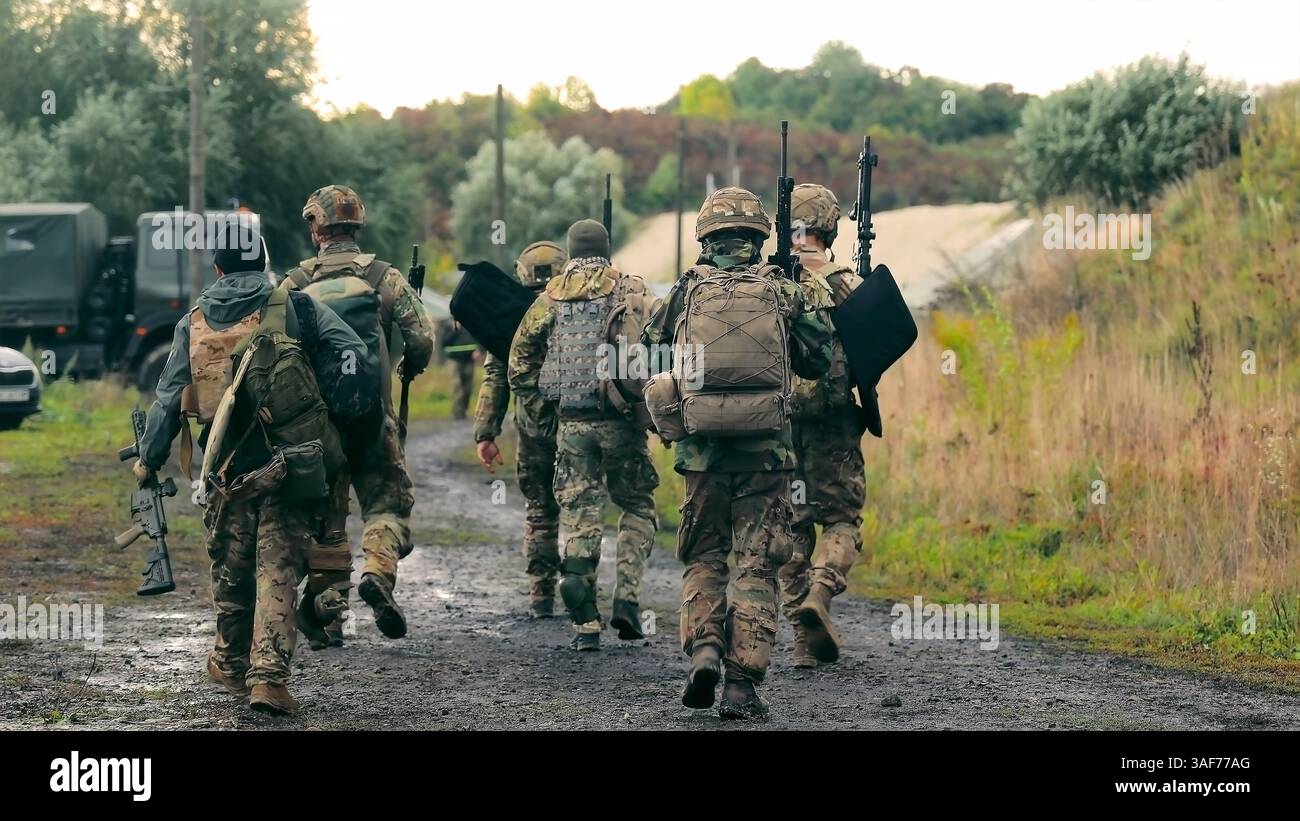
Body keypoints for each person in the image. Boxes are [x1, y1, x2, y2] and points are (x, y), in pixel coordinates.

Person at [135, 235, 377, 714]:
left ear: (218, 269)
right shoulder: (297, 307)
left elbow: (167, 401)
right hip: (292, 459)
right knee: (278, 564)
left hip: (226, 464)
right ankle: (268, 679)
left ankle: (230, 661)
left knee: (232, 563)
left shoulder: (193, 321)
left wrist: (148, 458)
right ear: (265, 262)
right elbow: (353, 352)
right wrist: (327, 412)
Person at [641, 187, 832, 718]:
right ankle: (742, 686)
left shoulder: (686, 289)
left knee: (704, 556)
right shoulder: (782, 289)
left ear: (706, 236)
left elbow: (650, 348)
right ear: (759, 236)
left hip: (701, 454)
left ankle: (704, 648)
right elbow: (819, 359)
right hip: (766, 455)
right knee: (757, 564)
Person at [284, 185, 436, 645]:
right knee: (387, 506)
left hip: (317, 426)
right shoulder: (384, 278)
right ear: (356, 226)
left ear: (317, 228)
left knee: (328, 521)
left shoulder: (294, 284)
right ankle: (377, 571)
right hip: (373, 419)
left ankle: (328, 618)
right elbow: (422, 338)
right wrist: (409, 366)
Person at [508, 220, 659, 651]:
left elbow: (519, 363)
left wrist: (547, 404)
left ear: (571, 252)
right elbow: (658, 339)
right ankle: (627, 596)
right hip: (621, 423)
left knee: (580, 514)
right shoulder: (629, 287)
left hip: (572, 426)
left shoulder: (551, 295)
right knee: (637, 506)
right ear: (607, 249)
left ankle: (585, 619)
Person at [779, 183, 867, 666]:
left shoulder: (771, 282)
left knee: (792, 525)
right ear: (829, 228)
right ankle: (821, 589)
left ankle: (801, 640)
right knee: (840, 518)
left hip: (780, 424)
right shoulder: (845, 284)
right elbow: (875, 353)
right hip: (833, 425)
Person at [474, 240, 568, 616]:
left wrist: (486, 432)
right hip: (579, 424)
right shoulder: (583, 308)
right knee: (582, 510)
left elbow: (496, 375)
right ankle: (583, 593)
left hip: (533, 429)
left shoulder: (512, 316)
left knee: (540, 510)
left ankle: (541, 595)